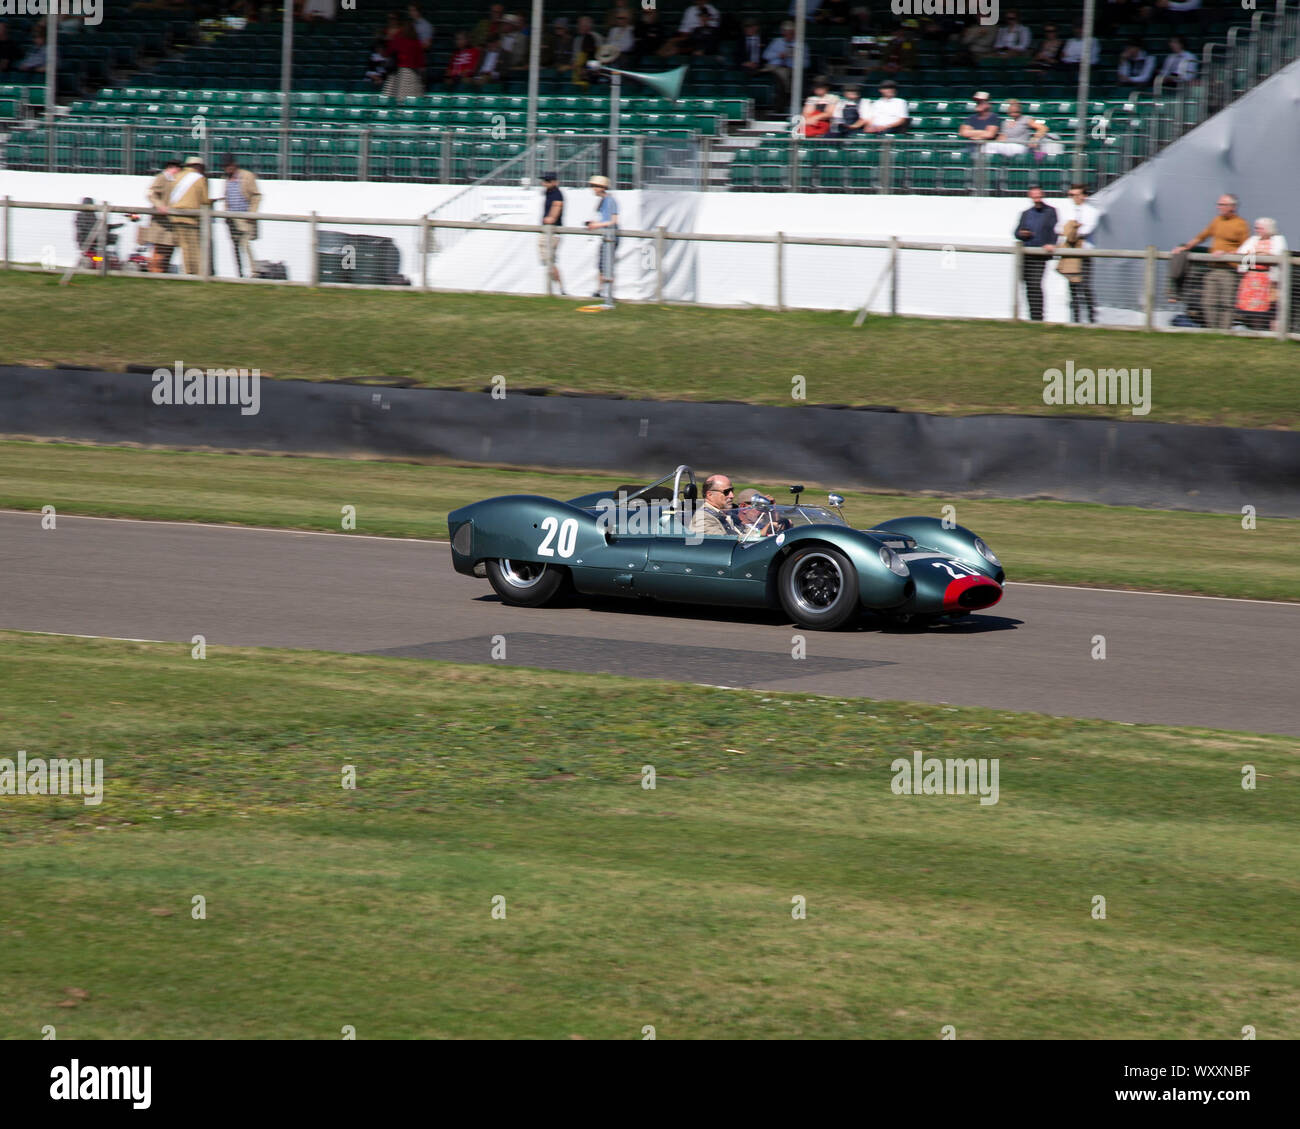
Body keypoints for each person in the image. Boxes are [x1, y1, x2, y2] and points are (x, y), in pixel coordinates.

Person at [1173, 194, 1249, 331]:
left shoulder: (1241, 224)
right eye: (1218, 204)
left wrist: (1228, 254)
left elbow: (1246, 248)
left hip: (1229, 270)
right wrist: (1185, 247)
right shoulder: (1217, 221)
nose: (1219, 207)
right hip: (1213, 269)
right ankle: (1213, 330)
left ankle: (1224, 331)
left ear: (1232, 207)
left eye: (1222, 205)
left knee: (1226, 303)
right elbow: (1202, 236)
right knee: (1209, 301)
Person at [1013, 186, 1058, 321]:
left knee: (1035, 285)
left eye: (1039, 195)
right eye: (1034, 195)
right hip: (1026, 254)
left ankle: (1038, 316)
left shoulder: (1051, 211)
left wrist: (1051, 243)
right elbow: (1016, 232)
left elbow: (1053, 230)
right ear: (1030, 196)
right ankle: (1032, 316)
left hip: (1040, 254)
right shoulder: (1026, 213)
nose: (1037, 198)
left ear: (1042, 195)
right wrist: (1022, 233)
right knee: (1027, 284)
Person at [1234, 217, 1287, 332]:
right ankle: (1254, 331)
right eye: (1256, 228)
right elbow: (1242, 252)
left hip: (1268, 279)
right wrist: (1259, 254)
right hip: (1252, 277)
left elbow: (1278, 254)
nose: (1257, 230)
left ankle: (1267, 332)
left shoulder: (1278, 240)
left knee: (1269, 307)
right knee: (1251, 309)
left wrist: (1261, 254)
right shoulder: (1253, 239)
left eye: (1260, 228)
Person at [218, 154, 262, 279]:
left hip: (245, 217)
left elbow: (256, 196)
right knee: (235, 246)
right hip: (231, 218)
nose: (227, 168)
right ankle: (240, 273)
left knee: (245, 243)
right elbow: (227, 197)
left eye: (228, 165)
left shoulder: (247, 176)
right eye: (225, 166)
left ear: (234, 164)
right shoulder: (226, 179)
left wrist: (252, 213)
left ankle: (255, 272)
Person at [169, 156, 211, 277]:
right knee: (195, 248)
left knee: (185, 248)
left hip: (176, 216)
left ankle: (188, 272)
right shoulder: (199, 179)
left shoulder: (176, 177)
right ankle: (198, 274)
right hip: (191, 217)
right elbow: (204, 200)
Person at [144, 157, 181, 273]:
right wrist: (159, 205)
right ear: (171, 168)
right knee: (159, 252)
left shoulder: (176, 181)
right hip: (160, 224)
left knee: (168, 251)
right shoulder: (162, 178)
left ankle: (162, 274)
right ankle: (154, 274)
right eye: (177, 168)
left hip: (171, 224)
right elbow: (150, 193)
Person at [587, 175, 619, 301]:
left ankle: (609, 293)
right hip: (606, 236)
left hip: (611, 237)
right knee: (602, 264)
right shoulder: (604, 201)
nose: (593, 189)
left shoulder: (609, 201)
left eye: (595, 186)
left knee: (607, 265)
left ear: (602, 188)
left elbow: (613, 221)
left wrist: (596, 225)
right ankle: (601, 291)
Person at [383, 18, 426, 99]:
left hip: (396, 73)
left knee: (393, 99)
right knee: (411, 101)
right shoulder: (417, 42)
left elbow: (388, 52)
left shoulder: (398, 39)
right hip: (413, 73)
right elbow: (421, 62)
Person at [539, 171, 565, 294]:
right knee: (548, 260)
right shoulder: (548, 192)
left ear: (554, 182)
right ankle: (555, 289)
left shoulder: (556, 194)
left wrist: (551, 218)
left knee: (549, 260)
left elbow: (557, 206)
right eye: (544, 181)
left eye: (547, 181)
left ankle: (559, 289)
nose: (544, 183)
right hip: (547, 230)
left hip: (552, 231)